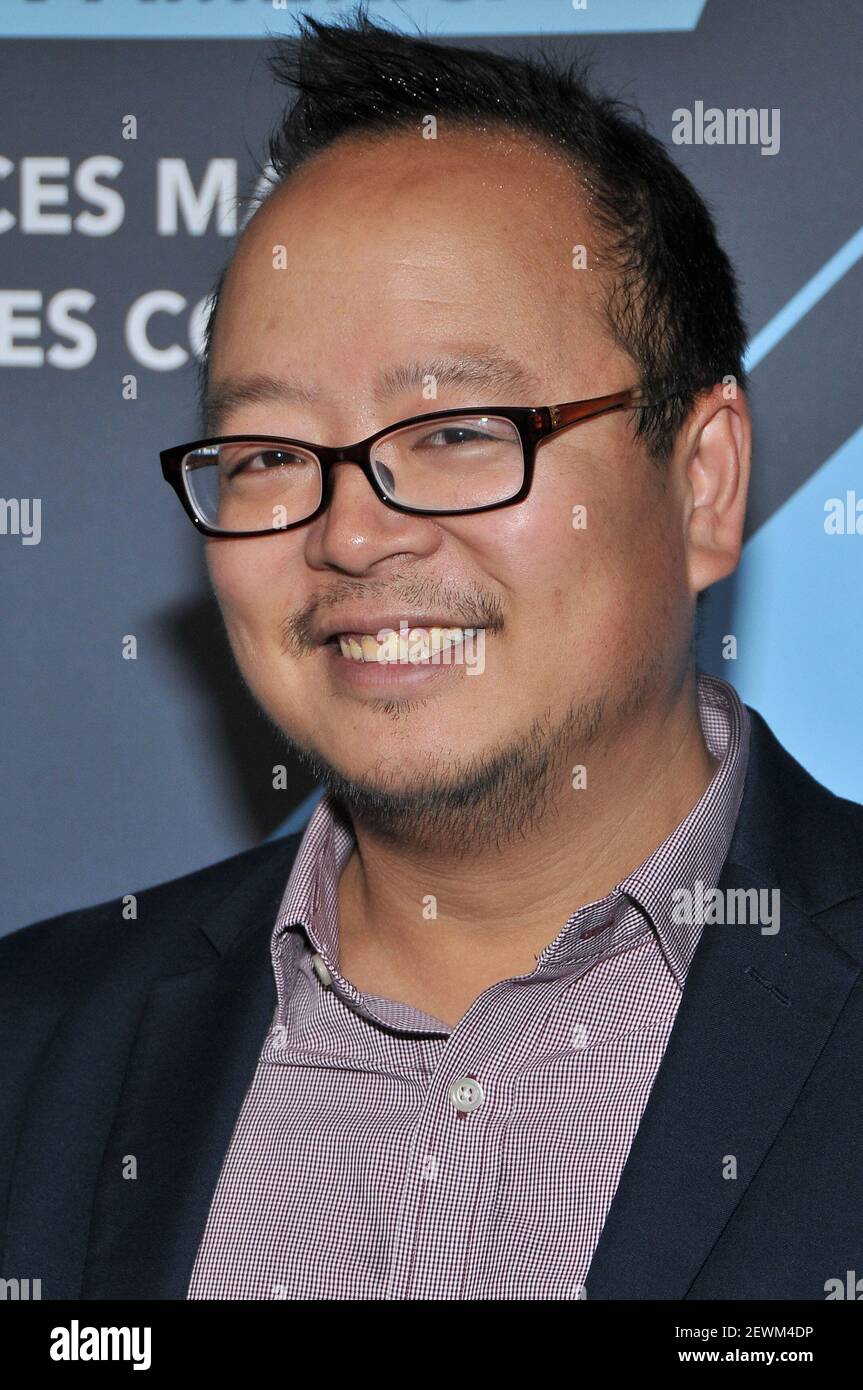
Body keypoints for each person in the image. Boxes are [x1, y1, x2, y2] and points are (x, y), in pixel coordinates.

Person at [2, 7, 861, 1302]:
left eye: (458, 429)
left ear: (704, 480)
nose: (350, 531)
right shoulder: (35, 1051)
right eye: (272, 456)